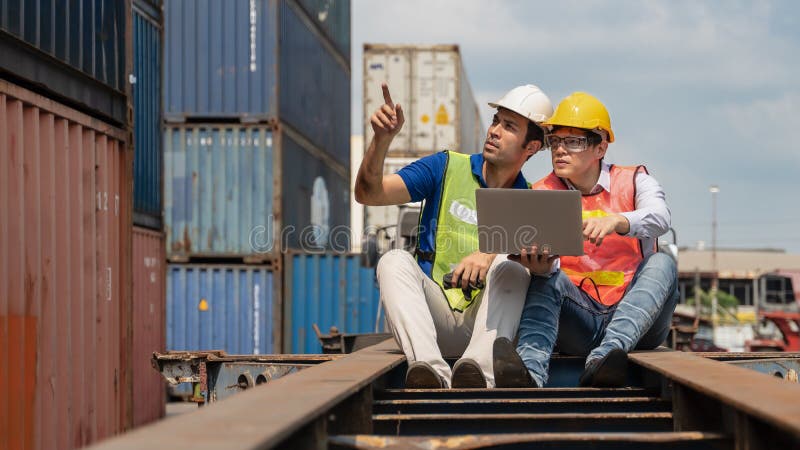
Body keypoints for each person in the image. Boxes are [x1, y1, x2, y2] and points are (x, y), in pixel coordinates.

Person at [355, 83, 553, 388]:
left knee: (511, 267)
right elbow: (369, 193)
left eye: (509, 126)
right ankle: (431, 370)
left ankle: (478, 372)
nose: (495, 131)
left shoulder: (533, 200)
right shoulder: (445, 167)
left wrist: (492, 255)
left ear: (532, 147)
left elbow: (544, 274)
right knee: (393, 259)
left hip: (486, 328)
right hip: (432, 320)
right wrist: (381, 141)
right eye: (496, 121)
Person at [492, 92, 679, 388]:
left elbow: (661, 217)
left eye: (573, 142)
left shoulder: (634, 180)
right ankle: (529, 372)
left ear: (600, 147)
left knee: (662, 262)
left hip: (639, 320)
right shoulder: (541, 193)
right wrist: (538, 268)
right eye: (555, 142)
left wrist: (619, 220)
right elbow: (545, 272)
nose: (560, 150)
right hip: (580, 318)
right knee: (544, 280)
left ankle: (607, 357)